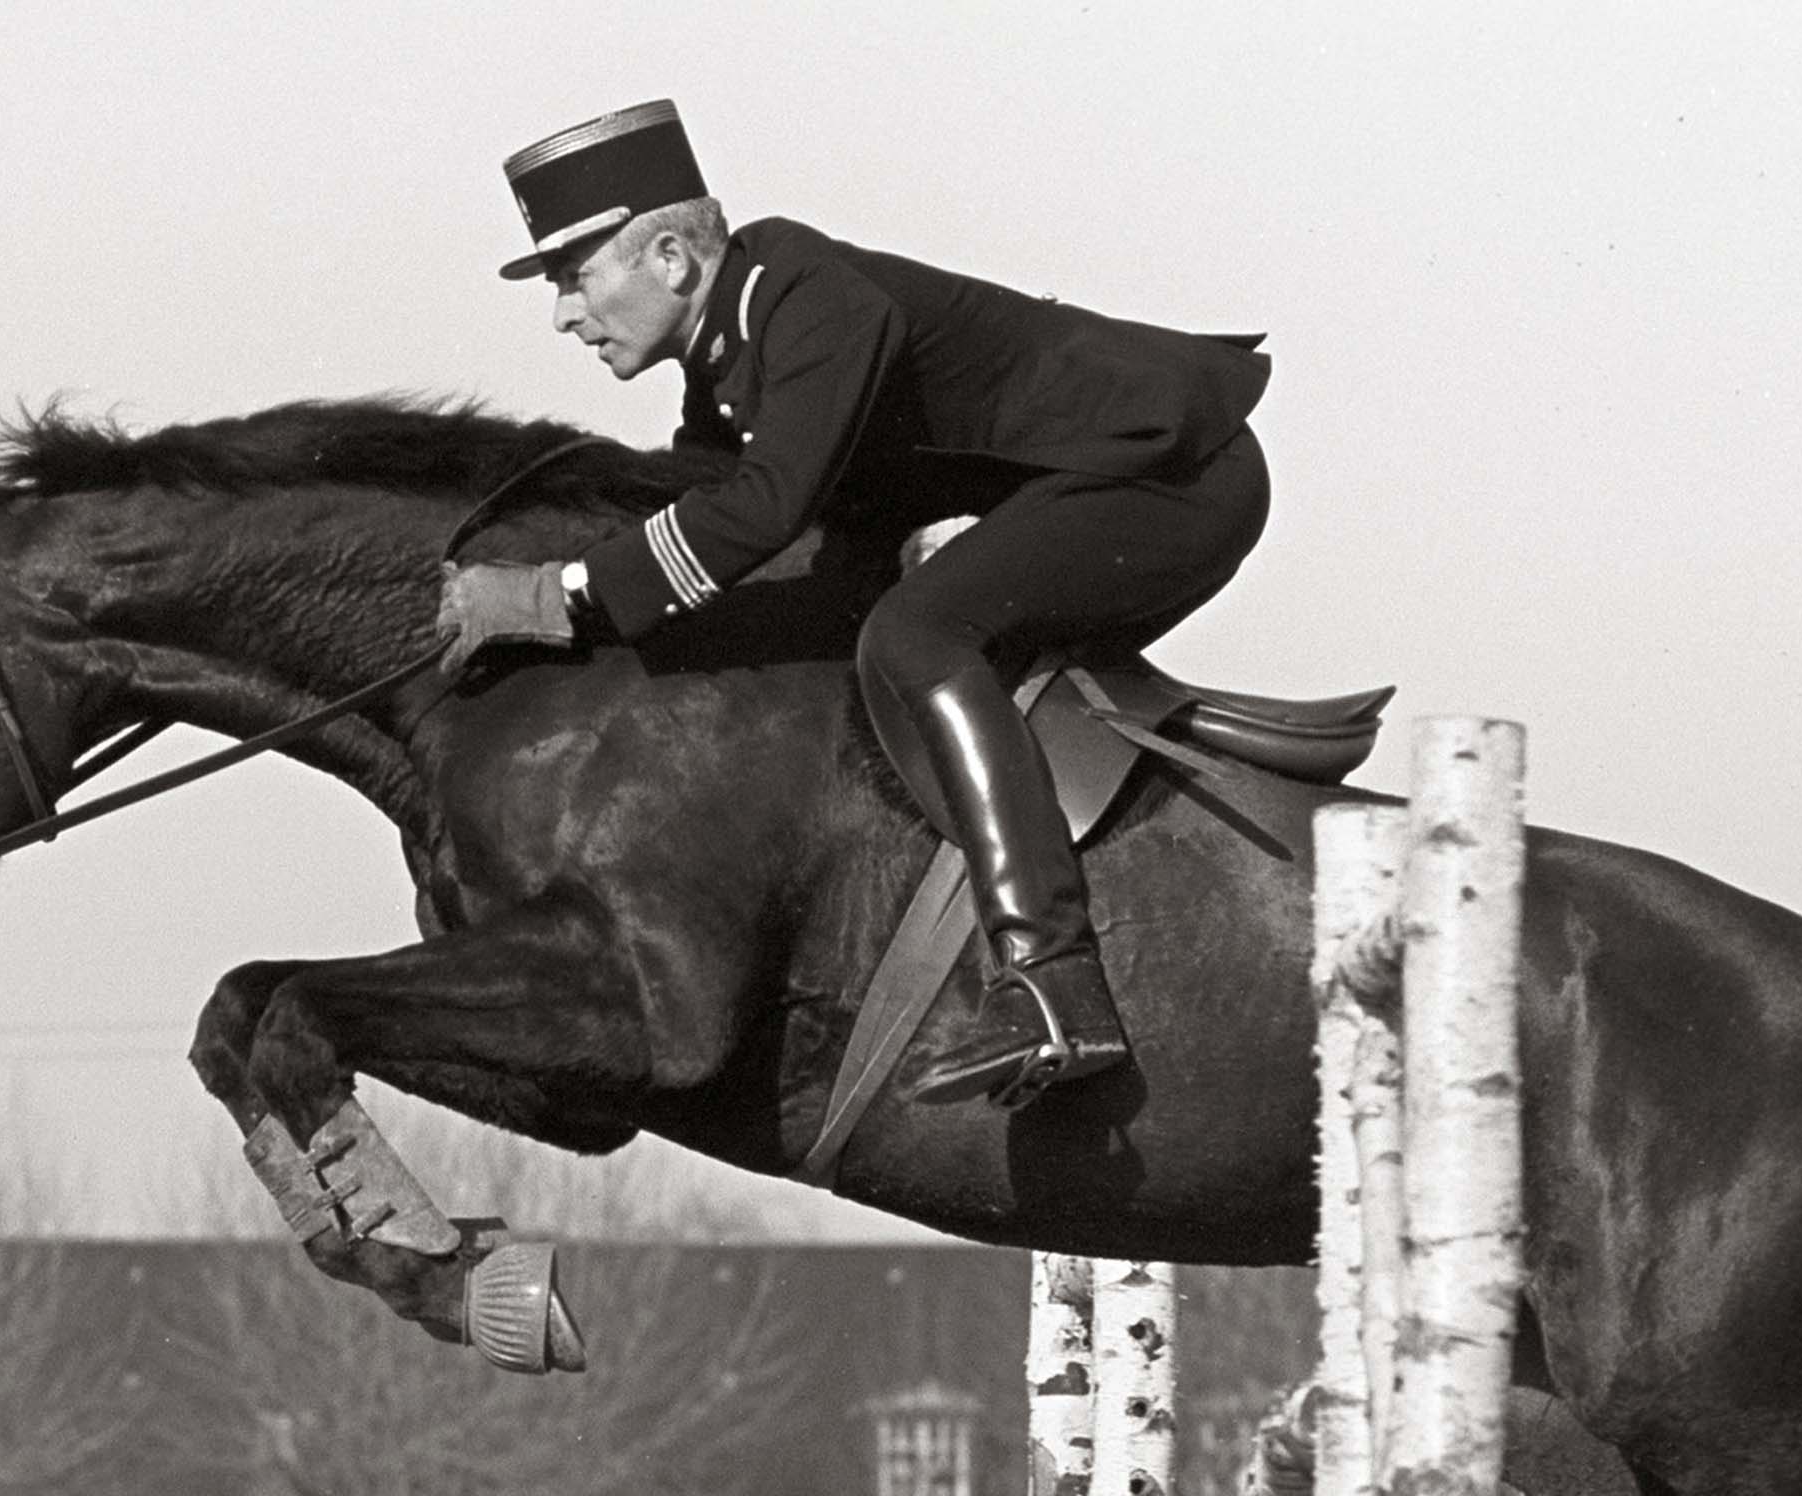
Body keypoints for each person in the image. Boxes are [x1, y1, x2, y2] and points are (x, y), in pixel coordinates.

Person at [439, 101, 1273, 1112]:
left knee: (917, 635)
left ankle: (1054, 981)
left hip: (1175, 476)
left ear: (667, 256)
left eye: (575, 278)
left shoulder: (807, 299)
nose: (565, 314)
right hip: (1087, 485)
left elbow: (759, 510)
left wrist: (554, 593)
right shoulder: (730, 358)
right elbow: (697, 514)